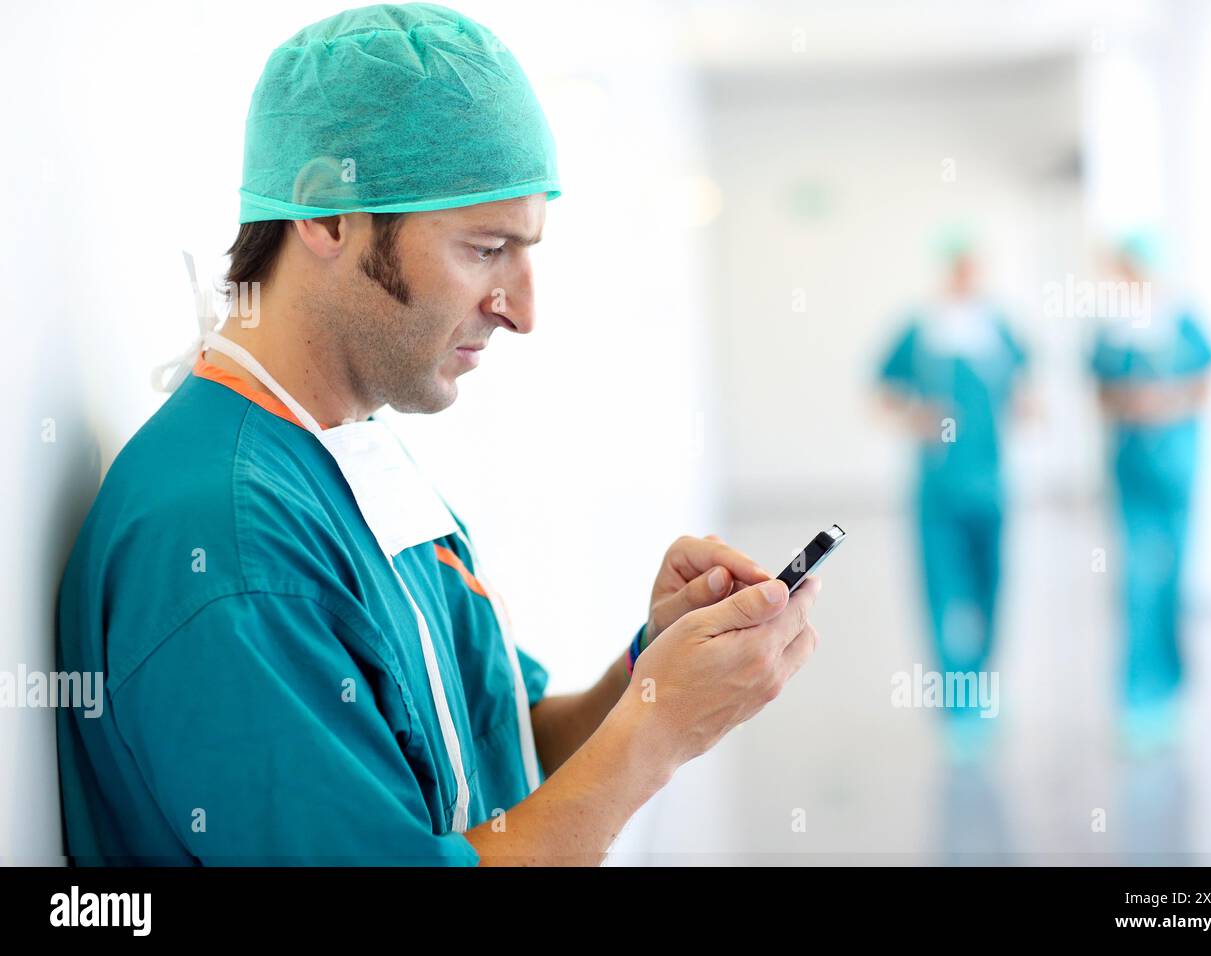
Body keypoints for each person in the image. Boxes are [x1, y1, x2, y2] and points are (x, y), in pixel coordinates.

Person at [56, 3, 821, 866]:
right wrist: (657, 735)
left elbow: (500, 752)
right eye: (486, 249)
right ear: (327, 215)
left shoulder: (354, 453)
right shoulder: (226, 548)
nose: (523, 312)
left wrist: (649, 671)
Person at [874, 235, 1027, 761]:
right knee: (944, 592)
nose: (968, 276)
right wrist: (916, 418)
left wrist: (1031, 408)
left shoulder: (999, 328)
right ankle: (957, 703)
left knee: (991, 588)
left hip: (992, 484)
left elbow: (1025, 389)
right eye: (960, 266)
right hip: (938, 488)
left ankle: (980, 687)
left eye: (975, 267)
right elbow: (881, 394)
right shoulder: (920, 330)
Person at [1089, 232, 1211, 755]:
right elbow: (1100, 394)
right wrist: (1132, 403)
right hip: (1133, 470)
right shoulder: (1112, 335)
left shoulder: (1182, 322)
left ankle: (1171, 688)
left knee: (1174, 577)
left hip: (1180, 466)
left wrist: (1169, 401)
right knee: (1140, 577)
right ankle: (1139, 700)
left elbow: (1206, 381)